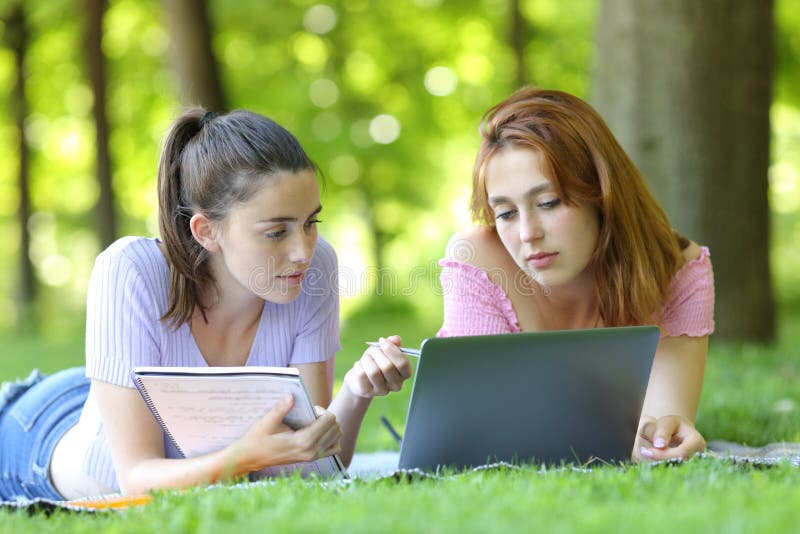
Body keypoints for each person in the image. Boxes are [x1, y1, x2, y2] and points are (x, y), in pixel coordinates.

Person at [0, 108, 412, 502]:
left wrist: (357, 390)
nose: (302, 251)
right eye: (275, 232)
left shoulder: (313, 269)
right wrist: (249, 456)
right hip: (42, 430)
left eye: (310, 223)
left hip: (116, 397)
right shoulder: (129, 270)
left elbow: (310, 463)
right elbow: (136, 479)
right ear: (206, 231)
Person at [438, 87, 714, 462]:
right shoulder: (477, 261)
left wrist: (665, 435)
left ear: (602, 193)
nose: (527, 234)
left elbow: (664, 424)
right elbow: (480, 425)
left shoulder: (678, 269)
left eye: (548, 203)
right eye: (506, 213)